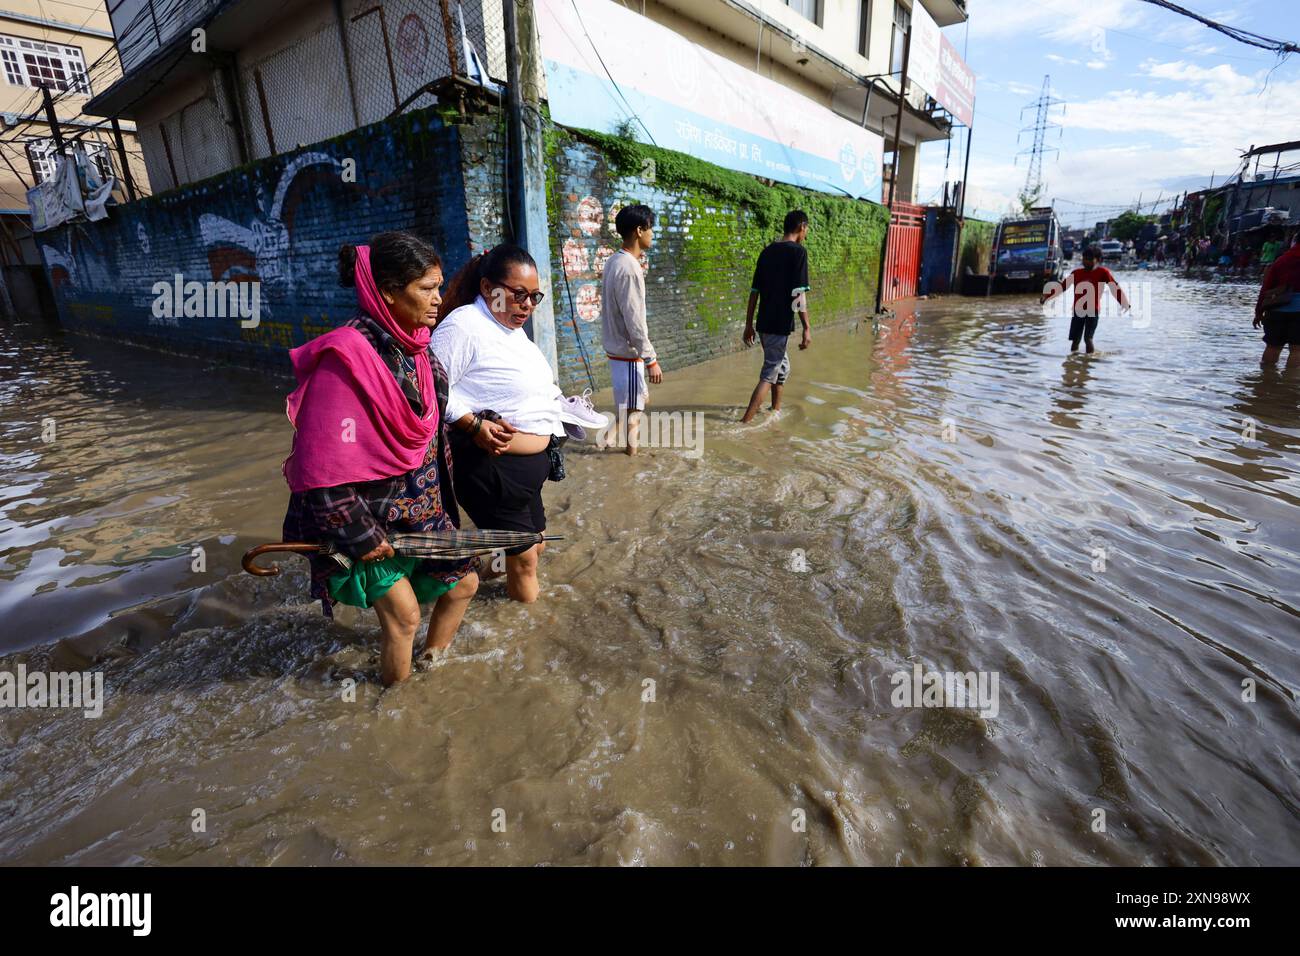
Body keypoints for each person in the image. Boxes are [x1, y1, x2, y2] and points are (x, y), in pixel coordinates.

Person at [282, 231, 479, 686]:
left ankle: (431, 666)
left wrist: (481, 421)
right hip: (363, 514)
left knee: (464, 582)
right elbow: (320, 469)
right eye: (426, 290)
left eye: (439, 287)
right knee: (405, 617)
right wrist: (361, 535)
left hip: (420, 508)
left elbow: (428, 425)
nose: (438, 300)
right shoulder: (346, 358)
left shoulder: (418, 347)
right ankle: (394, 704)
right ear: (388, 291)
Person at [431, 244, 563, 604]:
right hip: (490, 471)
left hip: (523, 474)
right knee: (525, 563)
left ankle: (474, 574)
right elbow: (430, 388)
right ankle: (531, 631)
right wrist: (473, 425)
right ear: (489, 288)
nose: (528, 305)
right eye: (519, 294)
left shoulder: (509, 328)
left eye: (534, 297)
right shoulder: (464, 326)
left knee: (537, 545)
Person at [601, 203, 662, 455]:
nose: (652, 234)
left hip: (620, 352)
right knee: (634, 417)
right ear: (639, 230)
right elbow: (634, 321)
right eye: (651, 229)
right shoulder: (628, 268)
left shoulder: (614, 261)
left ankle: (604, 440)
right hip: (627, 355)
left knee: (636, 404)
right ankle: (631, 466)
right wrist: (651, 360)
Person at [742, 210, 811, 423]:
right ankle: (744, 423)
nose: (806, 234)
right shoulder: (798, 252)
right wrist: (807, 327)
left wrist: (749, 325)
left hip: (763, 323)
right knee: (769, 373)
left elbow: (754, 292)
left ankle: (775, 411)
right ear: (801, 227)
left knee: (782, 369)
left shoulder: (767, 251)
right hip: (779, 324)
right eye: (806, 229)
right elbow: (798, 293)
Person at [1040, 245, 1129, 354]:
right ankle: (1072, 363)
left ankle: (1088, 363)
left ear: (1098, 260)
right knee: (1075, 340)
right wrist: (1046, 296)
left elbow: (1114, 287)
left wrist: (1123, 302)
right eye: (1084, 258)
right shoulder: (1076, 273)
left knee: (1088, 339)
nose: (1086, 261)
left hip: (1093, 310)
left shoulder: (1103, 273)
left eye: (1090, 259)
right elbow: (1062, 287)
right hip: (1078, 310)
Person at [1253, 230, 1300, 369]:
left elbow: (1266, 287)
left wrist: (1258, 312)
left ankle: (1265, 380)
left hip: (1276, 310)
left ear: (1294, 241)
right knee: (1297, 350)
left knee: (1273, 347)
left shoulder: (1281, 260)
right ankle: (1288, 384)